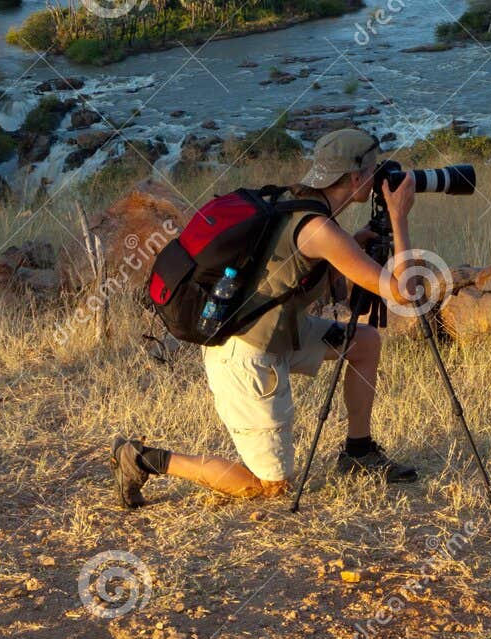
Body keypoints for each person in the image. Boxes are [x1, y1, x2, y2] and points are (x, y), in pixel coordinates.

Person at [110, 128, 419, 509]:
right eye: (373, 172)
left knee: (365, 342)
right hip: (247, 356)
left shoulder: (296, 202)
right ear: (355, 178)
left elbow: (290, 266)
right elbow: (403, 290)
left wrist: (354, 243)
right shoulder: (320, 228)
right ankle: (144, 459)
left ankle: (358, 453)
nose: (378, 181)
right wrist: (399, 217)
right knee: (269, 488)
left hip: (281, 331)